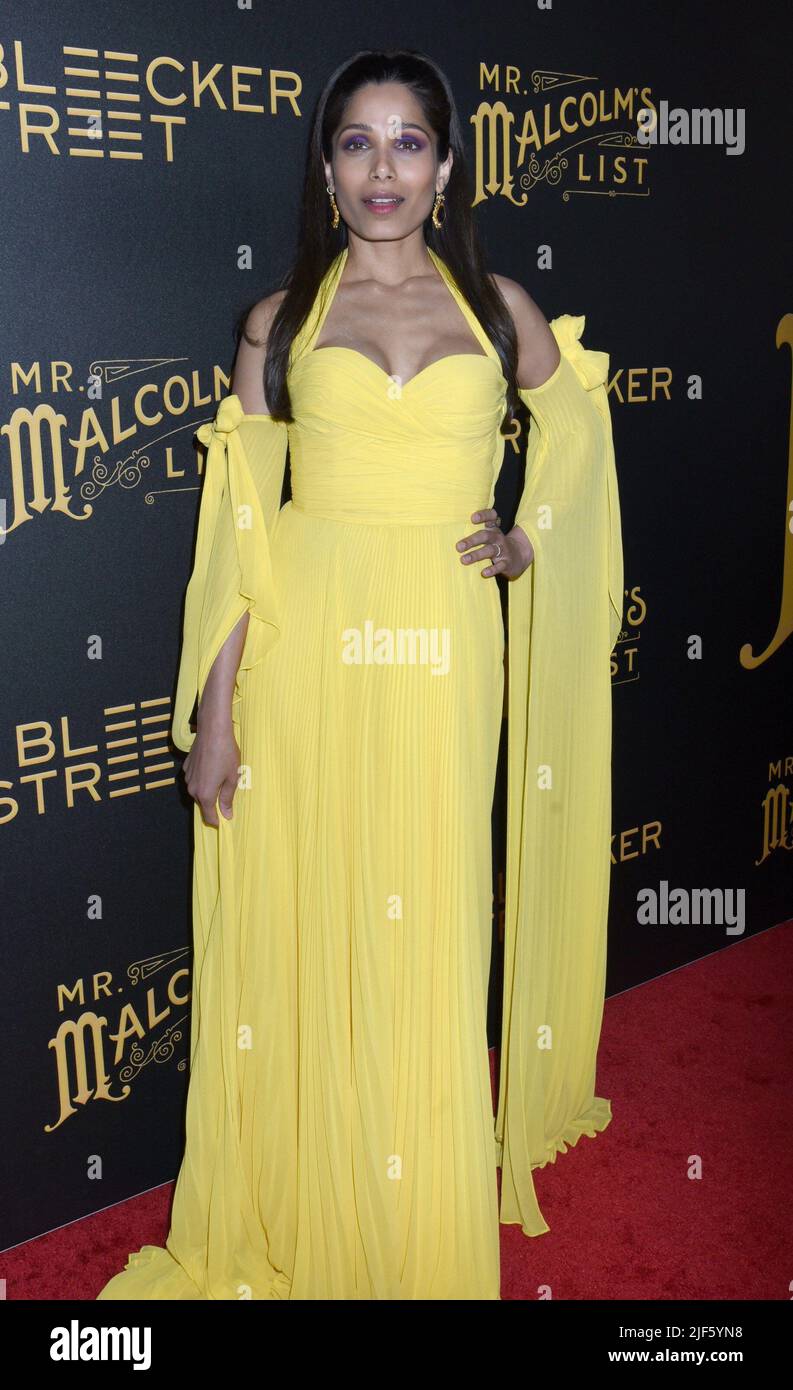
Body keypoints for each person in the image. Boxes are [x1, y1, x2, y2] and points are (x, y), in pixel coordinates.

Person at [97, 47, 623, 1302]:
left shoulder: (498, 312)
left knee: (425, 925)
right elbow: (240, 533)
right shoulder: (280, 327)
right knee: (304, 922)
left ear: (445, 169)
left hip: (443, 657)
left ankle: (409, 1229)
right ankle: (301, 1200)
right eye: (356, 143)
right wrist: (214, 714)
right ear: (327, 172)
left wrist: (529, 534)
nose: (381, 168)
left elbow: (579, 428)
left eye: (407, 143)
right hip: (306, 655)